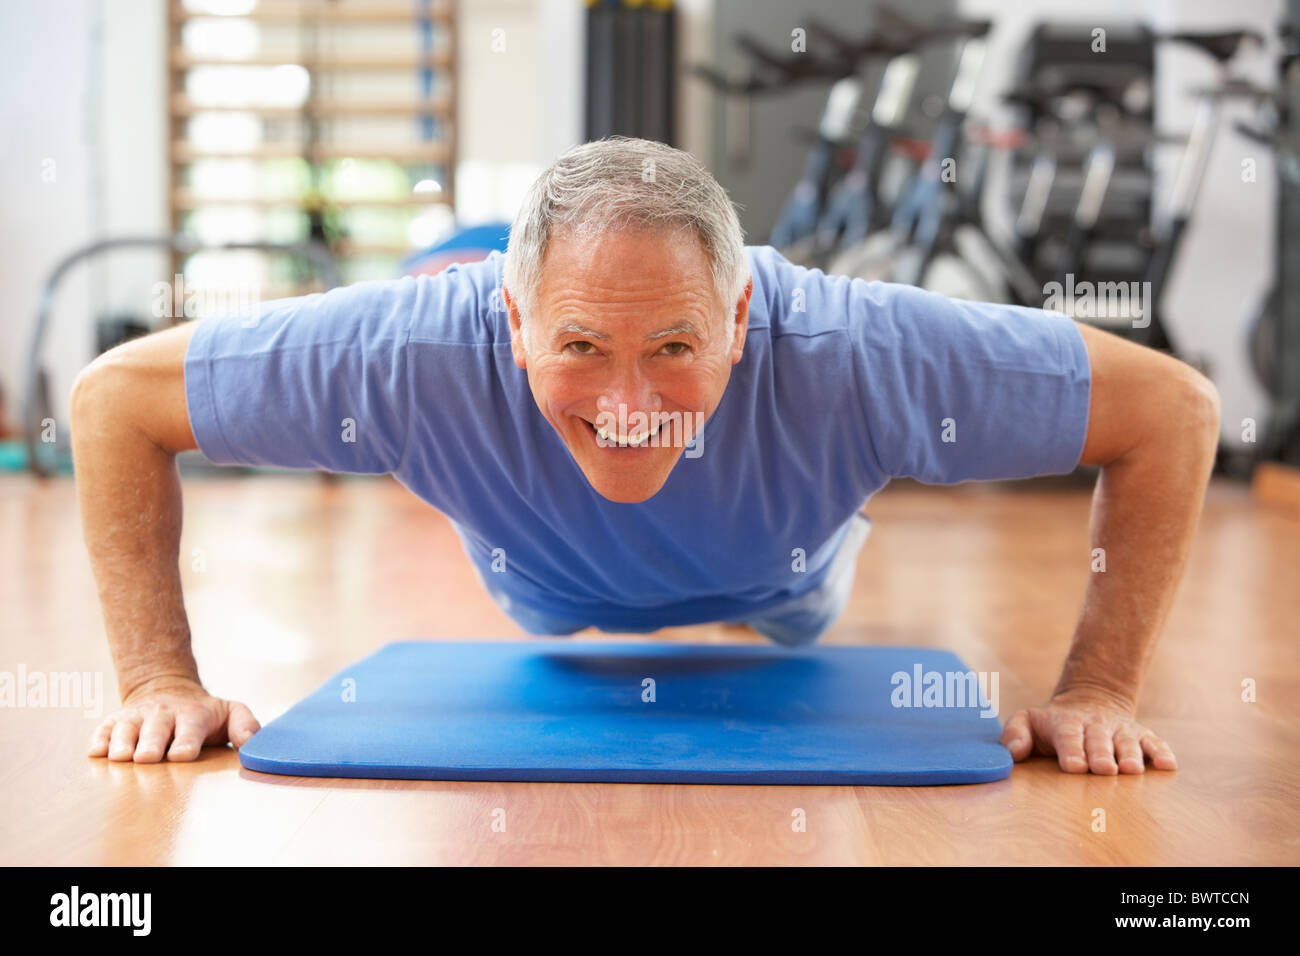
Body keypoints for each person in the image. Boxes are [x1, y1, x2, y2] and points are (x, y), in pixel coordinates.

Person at [71, 137, 1218, 774]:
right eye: (577, 343)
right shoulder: (405, 352)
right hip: (545, 586)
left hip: (785, 573)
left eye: (674, 342)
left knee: (798, 604)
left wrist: (1099, 691)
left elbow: (1169, 411)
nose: (630, 401)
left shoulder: (860, 350)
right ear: (511, 322)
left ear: (741, 309)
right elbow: (116, 399)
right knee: (561, 615)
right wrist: (157, 679)